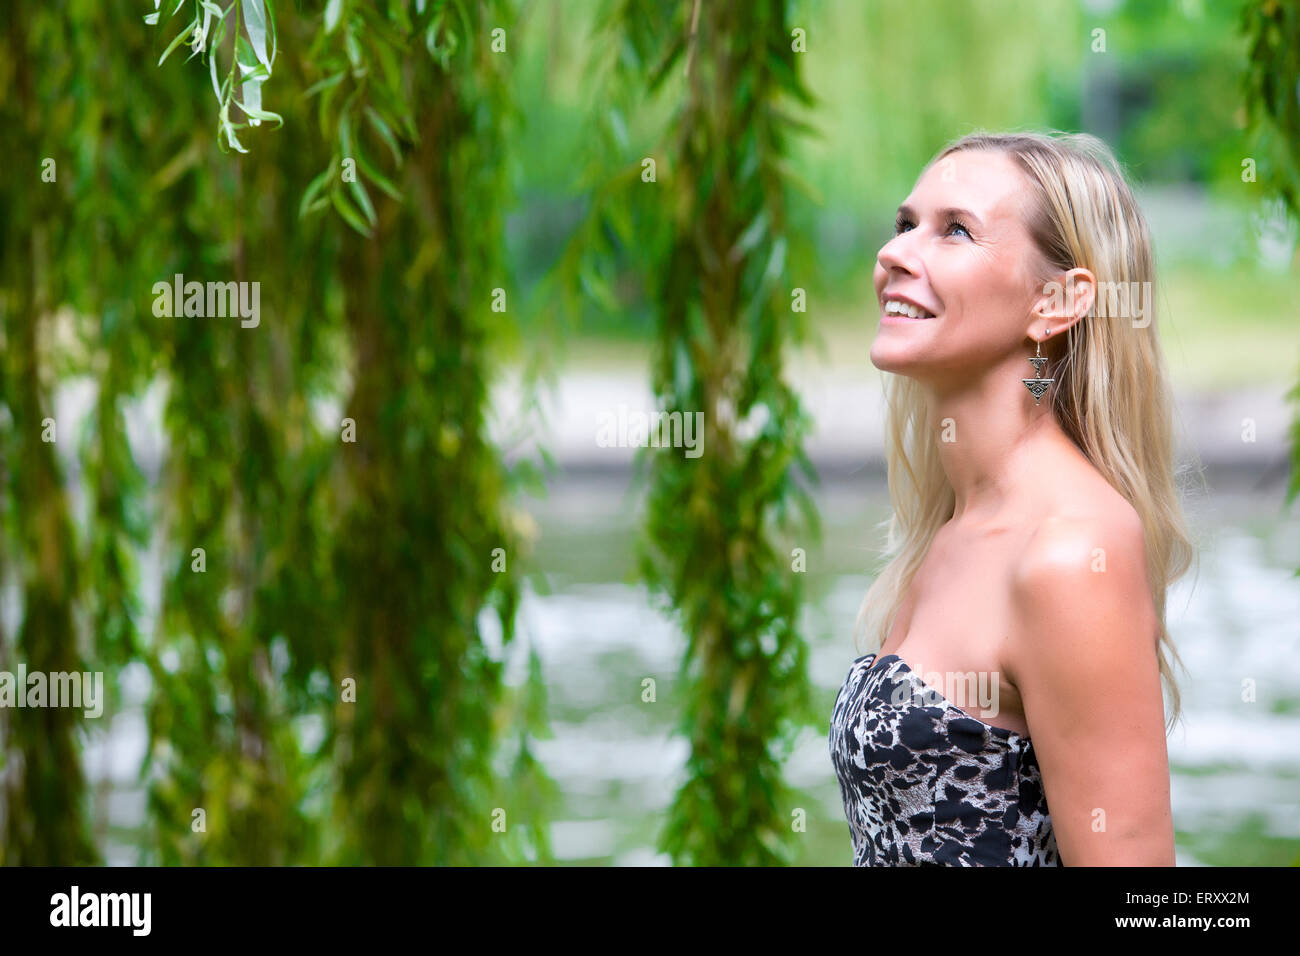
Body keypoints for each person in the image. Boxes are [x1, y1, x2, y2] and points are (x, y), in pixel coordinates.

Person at [828, 130, 1198, 866]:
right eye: (906, 225)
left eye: (955, 230)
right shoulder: (949, 527)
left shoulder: (1068, 552)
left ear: (1057, 302)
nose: (895, 255)